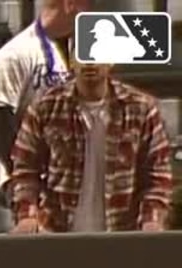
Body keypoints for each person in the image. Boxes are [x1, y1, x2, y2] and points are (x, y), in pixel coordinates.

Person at [10, 60, 173, 233]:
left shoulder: (142, 108)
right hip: (57, 234)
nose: (89, 61)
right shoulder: (44, 108)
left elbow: (157, 176)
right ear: (71, 59)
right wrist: (27, 216)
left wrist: (152, 220)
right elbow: (25, 170)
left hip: (122, 234)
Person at [0, 0, 90, 198]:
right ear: (70, 5)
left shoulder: (86, 47)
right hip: (32, 179)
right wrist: (26, 173)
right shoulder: (14, 54)